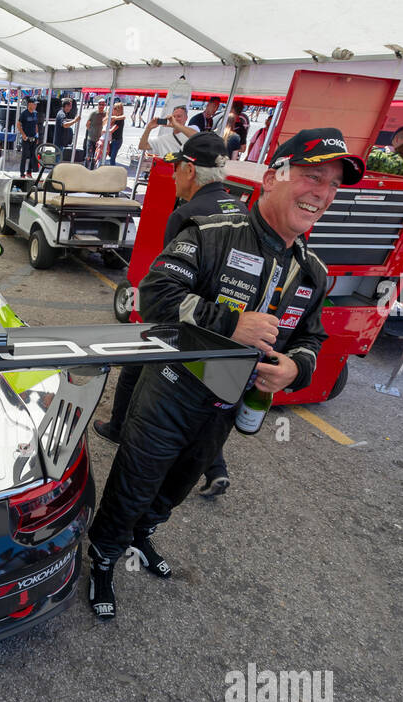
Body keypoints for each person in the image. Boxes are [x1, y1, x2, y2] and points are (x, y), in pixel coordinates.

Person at [84, 128, 364, 619]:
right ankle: (104, 558)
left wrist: (295, 369)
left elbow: (311, 339)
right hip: (170, 393)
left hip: (223, 407)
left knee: (177, 488)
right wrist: (231, 323)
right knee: (134, 485)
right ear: (275, 177)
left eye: (334, 185)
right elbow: (155, 296)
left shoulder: (313, 271)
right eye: (313, 176)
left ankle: (142, 539)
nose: (323, 192)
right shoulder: (214, 233)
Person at [94, 131, 247, 493]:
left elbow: (170, 282)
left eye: (176, 168)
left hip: (187, 323)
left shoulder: (187, 214)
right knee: (212, 397)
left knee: (136, 367)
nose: (174, 175)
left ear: (190, 170)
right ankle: (214, 469)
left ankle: (119, 430)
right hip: (226, 326)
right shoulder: (240, 208)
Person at [16, 97, 41, 178]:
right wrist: (23, 135)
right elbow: (18, 125)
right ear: (29, 104)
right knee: (24, 156)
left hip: (34, 138)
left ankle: (29, 172)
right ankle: (22, 174)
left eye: (36, 104)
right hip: (26, 139)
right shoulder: (24, 113)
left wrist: (37, 136)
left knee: (33, 156)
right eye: (34, 104)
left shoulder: (35, 113)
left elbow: (36, 125)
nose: (35, 105)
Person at [83, 99, 106, 169]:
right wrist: (90, 131)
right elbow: (87, 124)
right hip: (91, 138)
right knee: (88, 156)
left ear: (104, 105)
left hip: (99, 140)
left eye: (103, 104)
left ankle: (92, 170)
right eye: (100, 104)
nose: (101, 106)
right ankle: (85, 169)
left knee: (95, 157)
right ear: (98, 105)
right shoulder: (93, 113)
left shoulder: (105, 114)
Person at [55, 97, 78, 162]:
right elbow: (65, 125)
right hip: (59, 142)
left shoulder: (62, 113)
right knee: (57, 161)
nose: (70, 108)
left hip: (61, 142)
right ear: (65, 106)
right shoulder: (61, 114)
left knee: (58, 160)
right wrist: (75, 121)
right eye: (69, 106)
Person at [107, 99, 126, 166]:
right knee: (109, 154)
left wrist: (105, 131)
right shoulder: (117, 118)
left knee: (112, 158)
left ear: (119, 110)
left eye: (114, 108)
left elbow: (112, 130)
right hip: (114, 140)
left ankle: (113, 172)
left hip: (117, 141)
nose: (113, 110)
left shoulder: (120, 119)